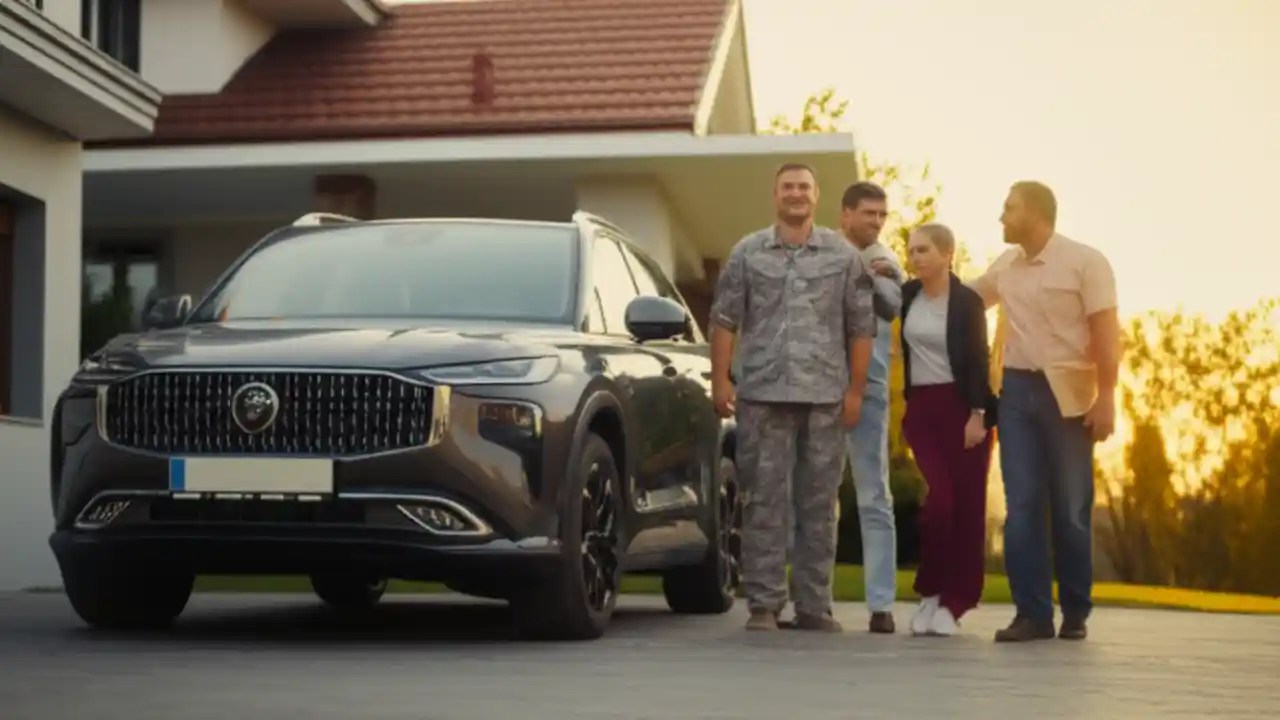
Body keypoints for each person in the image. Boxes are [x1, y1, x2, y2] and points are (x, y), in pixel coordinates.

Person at [709, 162, 877, 632]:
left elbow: (861, 328)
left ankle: (813, 606)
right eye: (788, 187)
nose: (796, 194)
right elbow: (724, 320)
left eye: (804, 186)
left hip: (825, 397)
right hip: (761, 394)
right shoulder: (747, 253)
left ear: (816, 196)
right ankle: (763, 604)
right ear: (776, 196)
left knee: (818, 504)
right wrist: (720, 380)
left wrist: (856, 391)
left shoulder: (844, 257)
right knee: (763, 500)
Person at [969, 181, 1120, 642]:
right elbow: (964, 299)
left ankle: (1075, 609)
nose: (1001, 218)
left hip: (1070, 394)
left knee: (1072, 508)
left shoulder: (1085, 262)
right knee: (1023, 505)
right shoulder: (1006, 267)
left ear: (1035, 213)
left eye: (1009, 209)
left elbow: (1106, 331)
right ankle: (1032, 614)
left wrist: (1108, 395)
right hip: (1016, 392)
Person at [898, 223, 996, 637]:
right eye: (911, 250)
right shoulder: (907, 295)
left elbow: (978, 359)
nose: (915, 257)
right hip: (922, 409)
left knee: (967, 507)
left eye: (923, 250)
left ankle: (956, 602)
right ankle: (930, 591)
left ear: (947, 254)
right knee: (940, 501)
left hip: (963, 409)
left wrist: (978, 414)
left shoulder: (967, 303)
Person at [835, 181, 903, 634]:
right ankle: (812, 603)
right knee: (814, 497)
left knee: (874, 496)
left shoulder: (887, 259)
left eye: (882, 215)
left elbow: (892, 308)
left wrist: (879, 277)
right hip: (819, 390)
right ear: (845, 214)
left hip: (871, 391)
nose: (877, 223)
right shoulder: (822, 252)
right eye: (868, 214)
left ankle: (881, 606)